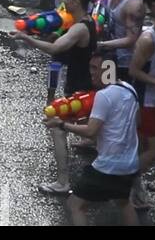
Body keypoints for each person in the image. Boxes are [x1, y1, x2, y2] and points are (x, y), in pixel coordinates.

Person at [12, 0, 98, 195]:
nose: (64, 2)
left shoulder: (79, 28)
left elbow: (55, 48)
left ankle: (63, 181)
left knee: (56, 127)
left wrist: (26, 38)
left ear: (77, 2)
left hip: (80, 90)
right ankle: (133, 188)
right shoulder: (86, 23)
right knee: (102, 132)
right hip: (85, 87)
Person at [44, 55, 140, 226]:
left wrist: (61, 124)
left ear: (109, 70)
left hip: (108, 166)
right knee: (124, 202)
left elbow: (90, 132)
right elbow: (133, 122)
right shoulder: (130, 90)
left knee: (75, 204)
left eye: (96, 69)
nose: (92, 74)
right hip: (130, 164)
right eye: (91, 68)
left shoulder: (103, 96)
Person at [129, 0, 155, 194]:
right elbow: (134, 71)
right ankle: (125, 179)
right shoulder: (148, 40)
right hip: (147, 100)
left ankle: (132, 183)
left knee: (142, 147)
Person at [98, 0, 144, 84]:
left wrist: (102, 45)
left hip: (124, 63)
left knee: (117, 97)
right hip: (110, 56)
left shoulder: (133, 5)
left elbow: (131, 39)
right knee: (105, 91)